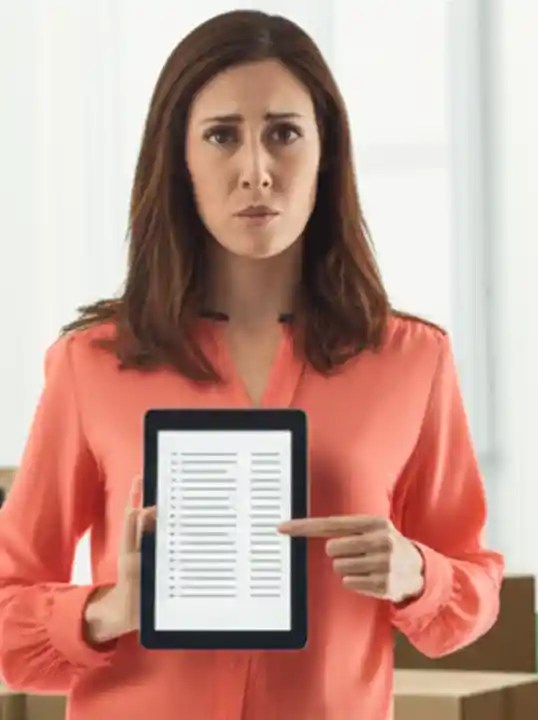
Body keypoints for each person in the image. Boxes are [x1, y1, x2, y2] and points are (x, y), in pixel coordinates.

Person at [0, 10, 503, 718]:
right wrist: (109, 610)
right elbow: (9, 609)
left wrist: (416, 573)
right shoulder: (92, 365)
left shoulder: (411, 361)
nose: (256, 171)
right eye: (222, 136)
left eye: (284, 134)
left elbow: (473, 593)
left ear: (326, 153)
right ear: (179, 158)